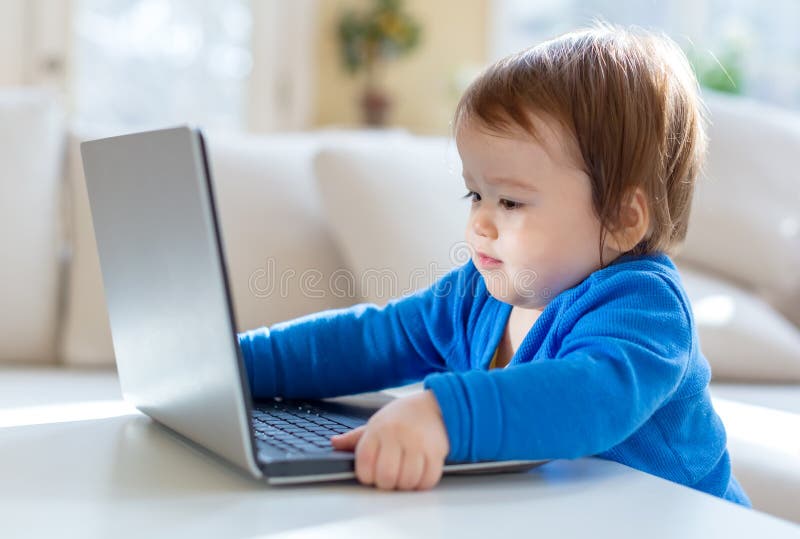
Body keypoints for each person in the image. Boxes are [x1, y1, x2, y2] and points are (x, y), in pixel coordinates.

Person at [237, 22, 751, 505]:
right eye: (475, 194)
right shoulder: (476, 296)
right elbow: (372, 337)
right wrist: (241, 363)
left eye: (509, 202)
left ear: (620, 218)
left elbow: (587, 396)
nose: (480, 223)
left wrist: (444, 414)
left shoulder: (645, 307)